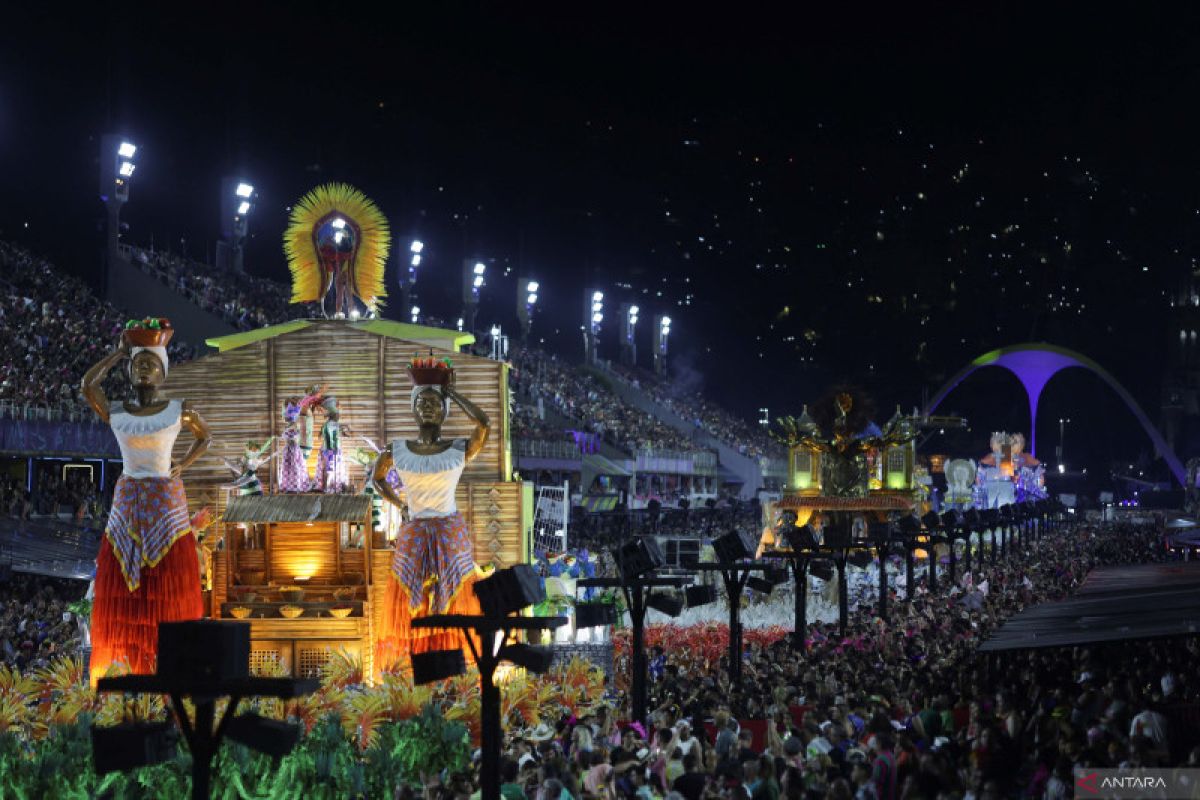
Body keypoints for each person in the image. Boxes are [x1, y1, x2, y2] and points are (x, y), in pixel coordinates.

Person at [81, 328, 211, 679]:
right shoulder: (117, 412)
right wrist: (117, 352)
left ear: (162, 372)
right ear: (128, 369)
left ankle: (170, 671)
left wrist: (183, 464)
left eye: (151, 363)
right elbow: (88, 386)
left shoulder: (179, 410)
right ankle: (123, 672)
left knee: (167, 582)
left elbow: (205, 437)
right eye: (138, 363)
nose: (143, 369)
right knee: (124, 581)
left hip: (165, 502)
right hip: (126, 501)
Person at [374, 361, 491, 663]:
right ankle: (412, 666)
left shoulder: (458, 449)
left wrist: (453, 393)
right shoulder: (396, 451)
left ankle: (453, 666)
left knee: (452, 596)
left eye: (435, 403)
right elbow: (377, 479)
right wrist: (400, 505)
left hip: (449, 533)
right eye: (422, 402)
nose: (427, 408)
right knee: (411, 598)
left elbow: (483, 424)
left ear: (444, 410)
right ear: (413, 409)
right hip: (414, 532)